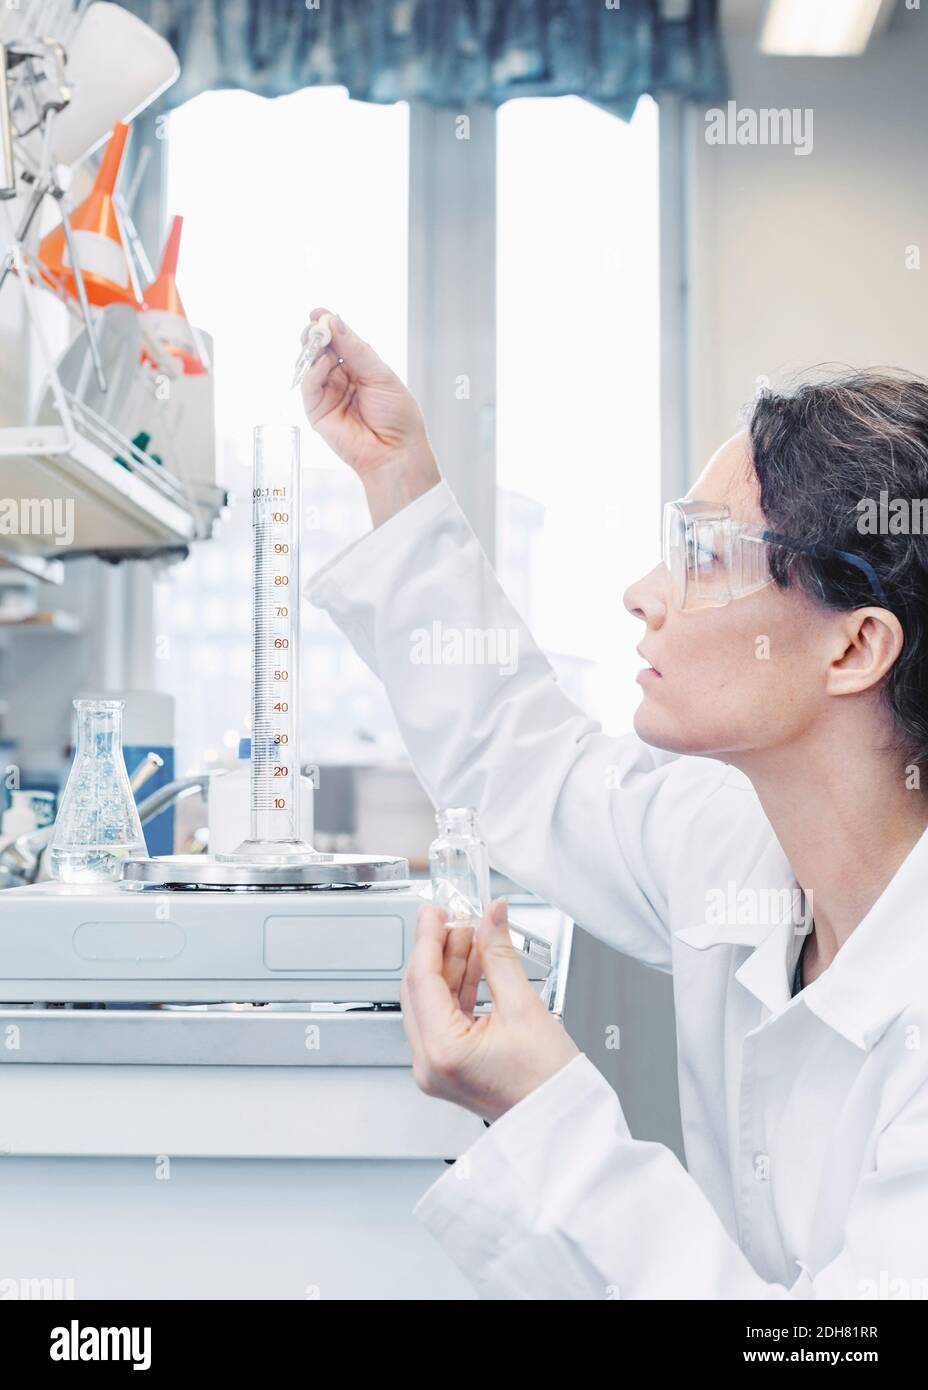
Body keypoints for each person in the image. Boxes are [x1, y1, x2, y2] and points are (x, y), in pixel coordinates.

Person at [301, 309, 928, 1300]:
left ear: (852, 649)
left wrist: (542, 1105)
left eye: (703, 555)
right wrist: (397, 480)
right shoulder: (735, 854)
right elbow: (525, 762)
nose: (642, 592)